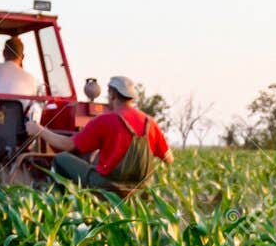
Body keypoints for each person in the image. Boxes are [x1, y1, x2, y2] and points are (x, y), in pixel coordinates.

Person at [27, 75, 171, 197]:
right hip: (140, 188)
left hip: (107, 185)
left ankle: (59, 207)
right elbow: (168, 159)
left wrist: (39, 130)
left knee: (61, 159)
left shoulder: (106, 120)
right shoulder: (150, 123)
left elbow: (67, 145)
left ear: (112, 94)